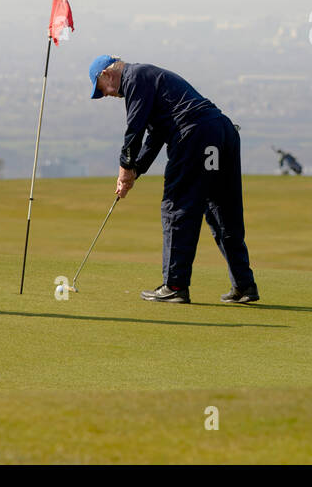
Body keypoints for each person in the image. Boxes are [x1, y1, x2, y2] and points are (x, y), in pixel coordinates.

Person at [90, 55, 258, 304]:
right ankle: (244, 285)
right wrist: (136, 170)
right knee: (221, 209)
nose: (106, 96)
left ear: (106, 74)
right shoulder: (147, 78)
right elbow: (156, 134)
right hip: (221, 131)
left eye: (101, 90)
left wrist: (125, 168)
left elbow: (134, 130)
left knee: (177, 208)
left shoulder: (134, 78)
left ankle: (175, 285)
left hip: (195, 135)